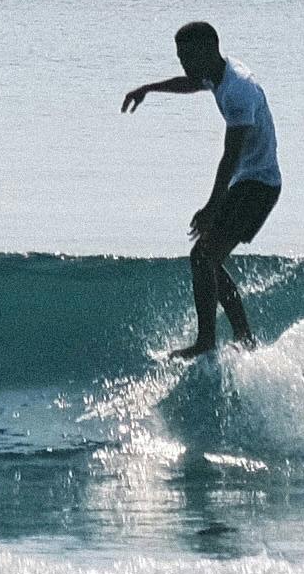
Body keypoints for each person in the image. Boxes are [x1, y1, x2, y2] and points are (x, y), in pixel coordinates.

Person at [118, 19, 280, 357]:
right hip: (249, 181)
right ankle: (243, 338)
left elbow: (230, 157)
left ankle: (208, 342)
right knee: (207, 257)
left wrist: (211, 207)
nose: (183, 64)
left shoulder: (238, 90)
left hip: (259, 184)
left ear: (208, 50)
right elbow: (192, 83)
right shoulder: (219, 72)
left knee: (204, 255)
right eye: (179, 57)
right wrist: (149, 88)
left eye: (187, 56)